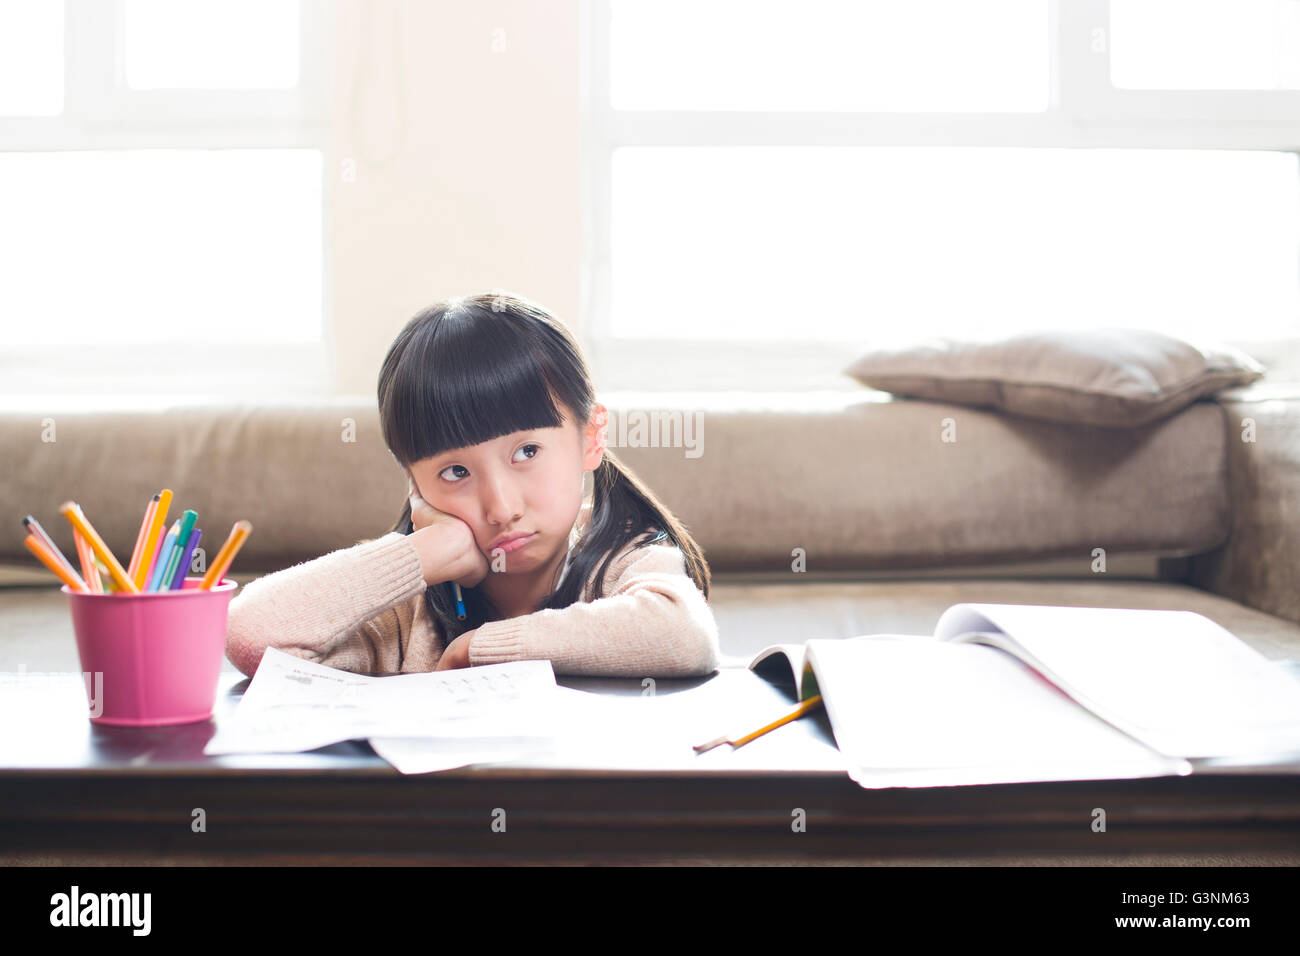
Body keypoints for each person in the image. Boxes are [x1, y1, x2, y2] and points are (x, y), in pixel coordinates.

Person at [225, 292, 720, 678]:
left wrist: (484, 648)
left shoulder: (622, 557)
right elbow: (248, 634)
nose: (501, 508)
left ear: (591, 437)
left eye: (527, 452)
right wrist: (429, 551)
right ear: (414, 486)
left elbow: (684, 636)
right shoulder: (409, 614)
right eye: (455, 473)